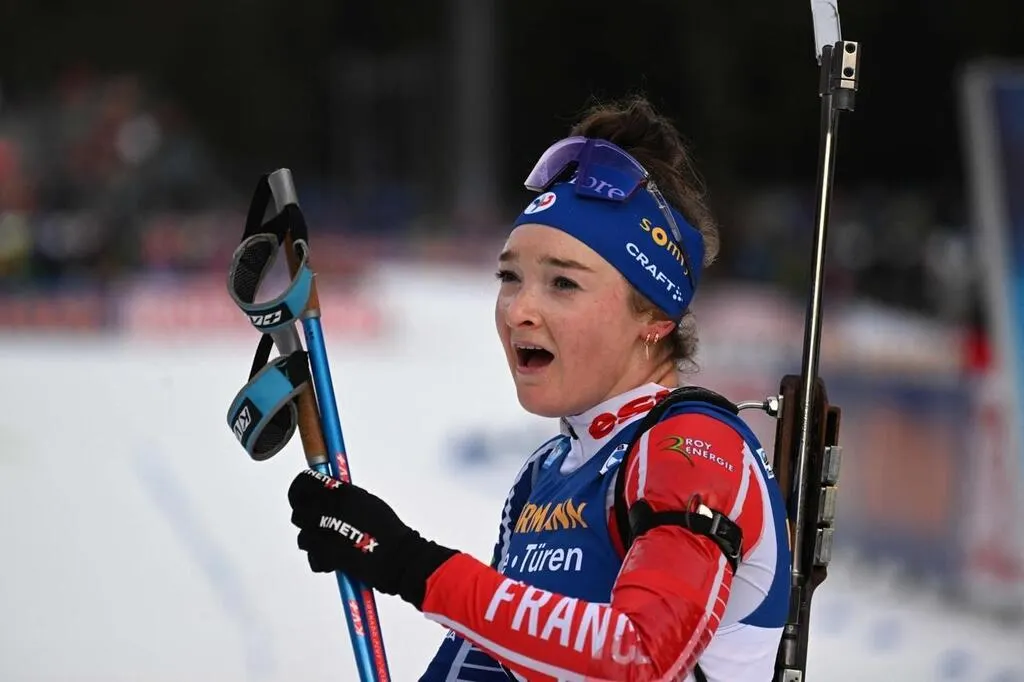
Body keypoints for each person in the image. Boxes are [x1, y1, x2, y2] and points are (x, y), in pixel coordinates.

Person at [286, 95, 791, 681]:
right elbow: (487, 663)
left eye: (562, 283)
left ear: (654, 315)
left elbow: (642, 657)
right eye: (509, 277)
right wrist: (382, 551)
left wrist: (411, 564)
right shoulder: (547, 472)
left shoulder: (690, 446)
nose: (519, 309)